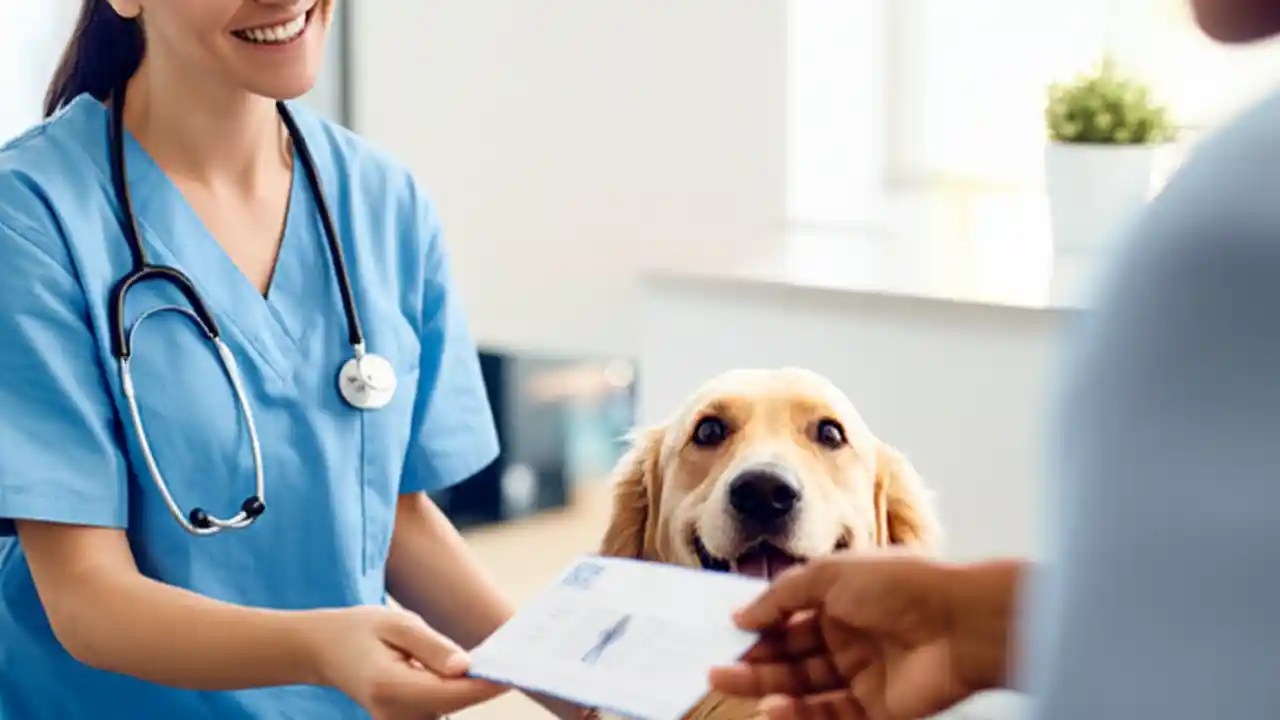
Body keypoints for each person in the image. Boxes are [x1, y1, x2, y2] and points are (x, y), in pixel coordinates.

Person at [0, 2, 593, 718]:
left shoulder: (383, 202)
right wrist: (320, 649)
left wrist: (581, 694)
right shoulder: (32, 217)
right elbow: (85, 599)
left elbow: (392, 517)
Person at [708, 0, 1280, 718]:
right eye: (711, 433)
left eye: (826, 435)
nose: (766, 476)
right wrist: (979, 623)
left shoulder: (1237, 227)